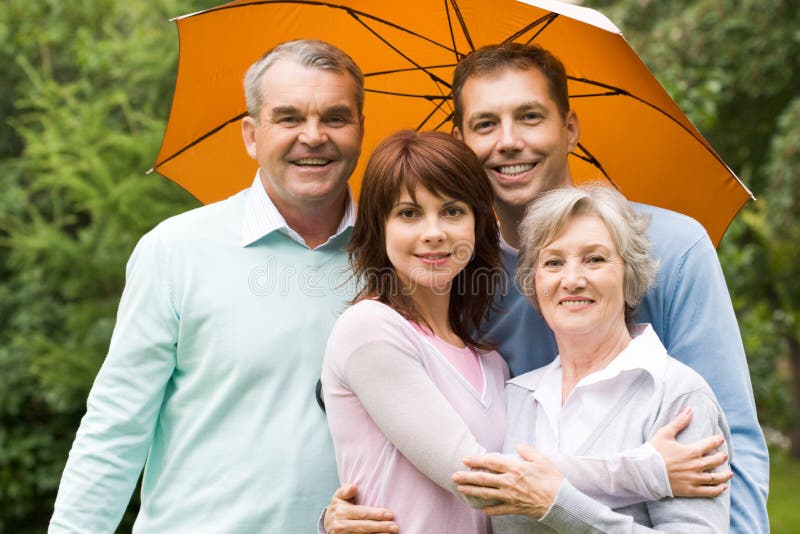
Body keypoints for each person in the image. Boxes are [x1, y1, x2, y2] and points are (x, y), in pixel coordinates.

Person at [322, 131, 717, 534]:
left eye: (453, 211)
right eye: (408, 214)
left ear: (479, 224)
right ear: (378, 226)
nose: (434, 232)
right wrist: (647, 469)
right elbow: (475, 478)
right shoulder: (370, 327)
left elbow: (505, 495)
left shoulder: (496, 370)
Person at [449, 42, 769, 533]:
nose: (508, 141)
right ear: (461, 142)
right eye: (485, 124)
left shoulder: (674, 248)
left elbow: (728, 444)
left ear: (570, 128)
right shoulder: (457, 275)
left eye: (530, 117)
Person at [49, 40, 365, 532]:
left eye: (335, 117)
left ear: (360, 131)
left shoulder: (396, 259)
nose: (313, 136)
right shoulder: (175, 250)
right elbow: (116, 429)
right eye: (288, 118)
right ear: (251, 135)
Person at [452, 184, 732, 532]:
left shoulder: (677, 397)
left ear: (630, 279)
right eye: (553, 262)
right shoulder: (515, 397)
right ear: (535, 284)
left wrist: (556, 502)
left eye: (594, 259)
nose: (572, 280)